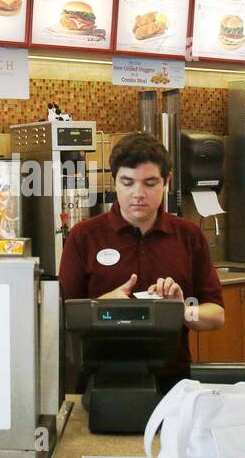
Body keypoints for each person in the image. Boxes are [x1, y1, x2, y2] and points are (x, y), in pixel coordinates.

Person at [59, 132, 224, 383]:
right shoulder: (84, 236)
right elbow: (61, 319)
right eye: (127, 183)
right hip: (100, 380)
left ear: (166, 181)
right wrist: (102, 307)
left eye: (149, 183)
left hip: (173, 380)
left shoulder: (188, 235)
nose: (138, 194)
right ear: (114, 181)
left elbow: (216, 315)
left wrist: (180, 311)